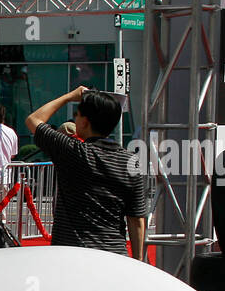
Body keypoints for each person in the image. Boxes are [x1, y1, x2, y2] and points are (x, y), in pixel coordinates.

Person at [25, 87, 147, 259]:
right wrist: (138, 261)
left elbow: (34, 120)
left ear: (85, 122)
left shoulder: (74, 152)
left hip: (73, 253)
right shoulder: (131, 161)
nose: (75, 118)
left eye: (78, 114)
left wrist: (69, 97)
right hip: (115, 255)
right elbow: (136, 219)